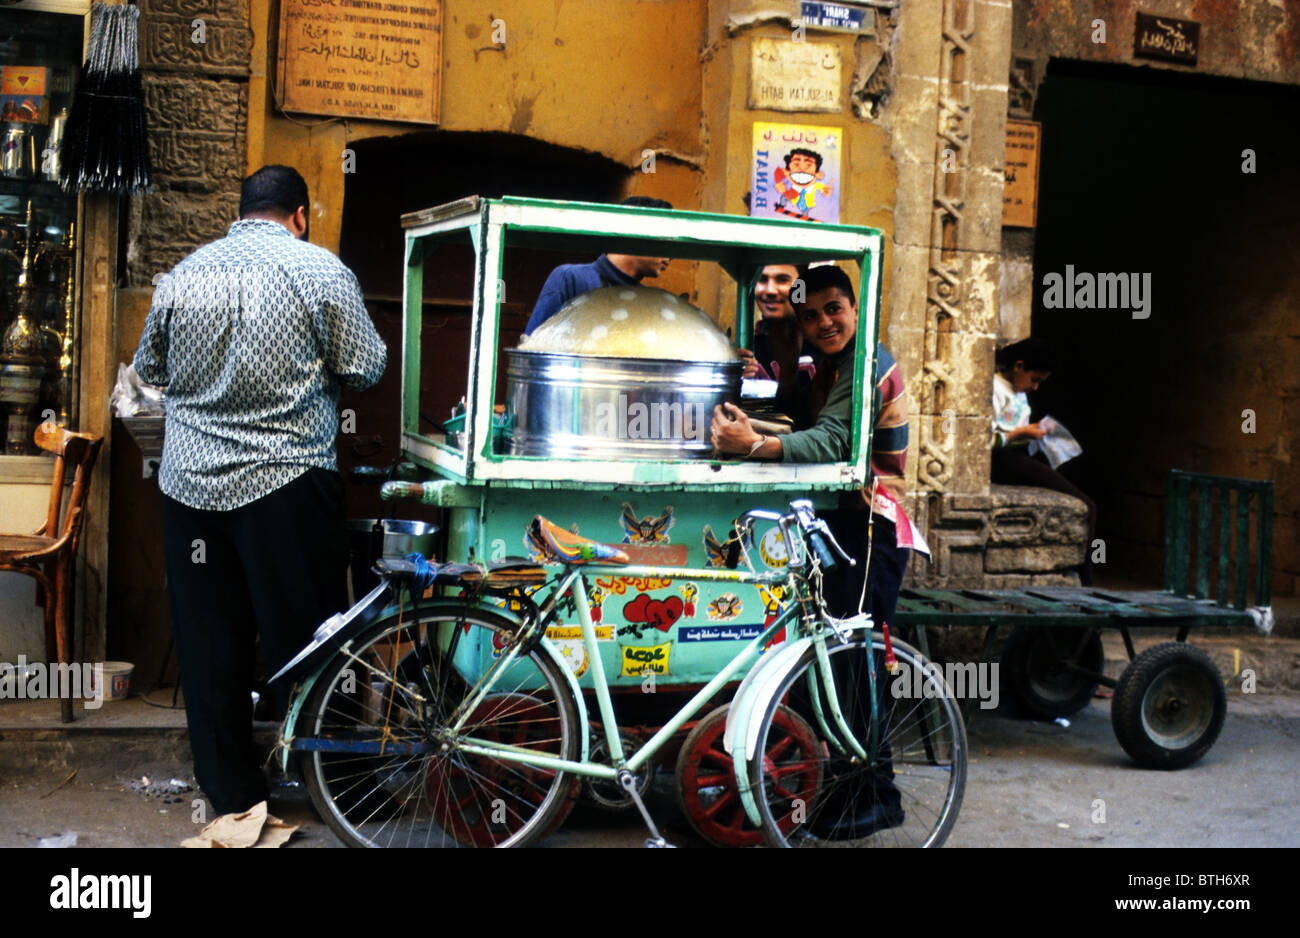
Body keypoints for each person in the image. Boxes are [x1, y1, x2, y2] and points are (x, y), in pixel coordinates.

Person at [132, 165, 387, 819]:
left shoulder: (186, 275)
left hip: (190, 487)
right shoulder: (320, 271)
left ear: (240, 211)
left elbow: (151, 370)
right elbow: (365, 365)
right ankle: (334, 785)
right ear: (299, 214)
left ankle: (232, 792)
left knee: (208, 639)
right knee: (307, 638)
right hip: (286, 483)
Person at [710, 264, 917, 838]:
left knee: (858, 661)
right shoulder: (822, 363)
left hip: (871, 524)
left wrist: (754, 444)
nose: (825, 323)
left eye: (834, 310)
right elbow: (802, 422)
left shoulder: (865, 363)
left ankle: (879, 794)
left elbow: (832, 440)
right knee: (825, 659)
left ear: (855, 309)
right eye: (812, 315)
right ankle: (837, 785)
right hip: (839, 522)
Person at [991, 337, 1096, 584]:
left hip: (1017, 454)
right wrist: (1020, 434)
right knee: (1088, 506)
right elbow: (980, 440)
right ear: (1018, 366)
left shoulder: (1017, 391)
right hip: (1002, 460)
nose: (1034, 387)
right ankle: (1086, 577)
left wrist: (1032, 432)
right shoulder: (995, 388)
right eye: (1034, 380)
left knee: (1078, 490)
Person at [523, 196, 673, 334]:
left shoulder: (650, 301)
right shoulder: (570, 278)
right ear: (636, 232)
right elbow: (533, 347)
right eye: (665, 239)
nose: (672, 255)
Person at [736, 263, 819, 420]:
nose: (770, 290)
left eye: (782, 280)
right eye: (762, 280)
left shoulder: (824, 340)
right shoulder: (745, 346)